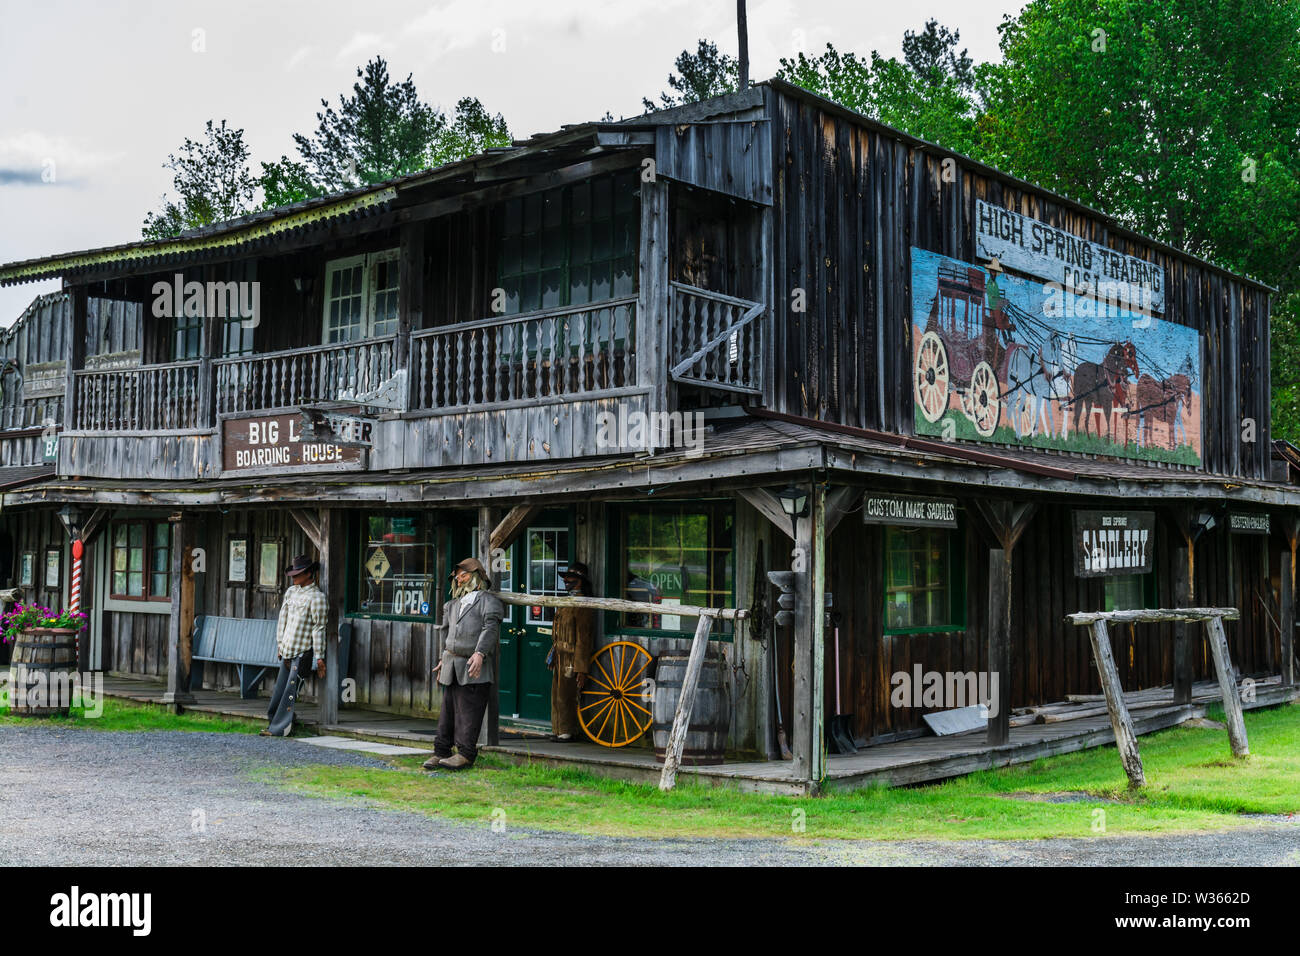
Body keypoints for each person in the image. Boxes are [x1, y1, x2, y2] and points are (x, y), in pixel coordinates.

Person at [424, 557, 502, 770]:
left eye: (463, 575)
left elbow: (490, 628)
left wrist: (479, 653)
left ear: (476, 576)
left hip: (473, 665)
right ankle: (441, 751)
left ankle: (466, 754)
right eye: (457, 576)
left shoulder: (487, 600)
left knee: (469, 711)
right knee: (447, 711)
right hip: (451, 664)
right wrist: (442, 658)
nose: (459, 580)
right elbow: (447, 633)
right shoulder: (452, 604)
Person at [262, 554, 327, 737]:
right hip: (288, 650)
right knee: (280, 689)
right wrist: (280, 646)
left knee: (291, 691)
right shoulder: (291, 592)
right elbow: (283, 619)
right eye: (293, 574)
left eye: (297, 574)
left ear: (308, 573)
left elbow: (319, 628)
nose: (294, 577)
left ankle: (280, 729)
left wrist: (319, 656)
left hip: (303, 652)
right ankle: (273, 722)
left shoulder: (317, 597)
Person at [548, 562, 595, 742]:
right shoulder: (565, 602)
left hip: (571, 656)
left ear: (580, 581)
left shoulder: (582, 604)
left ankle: (568, 731)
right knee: (556, 693)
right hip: (559, 654)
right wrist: (552, 653)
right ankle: (558, 728)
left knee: (567, 694)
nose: (566, 581)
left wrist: (581, 668)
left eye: (571, 579)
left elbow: (584, 638)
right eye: (566, 578)